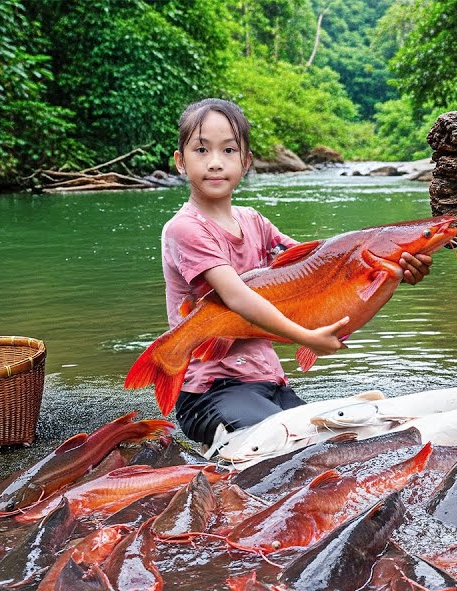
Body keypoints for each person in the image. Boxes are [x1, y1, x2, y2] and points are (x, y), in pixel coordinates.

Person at [161, 98, 431, 446]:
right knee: (289, 448)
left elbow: (319, 273)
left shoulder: (254, 221)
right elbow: (235, 296)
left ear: (246, 162)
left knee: (338, 444)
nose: (215, 162)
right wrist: (307, 338)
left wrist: (390, 271)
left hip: (268, 383)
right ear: (181, 162)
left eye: (228, 151)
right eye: (202, 150)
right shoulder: (184, 229)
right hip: (209, 392)